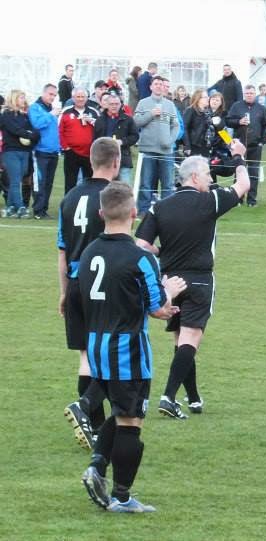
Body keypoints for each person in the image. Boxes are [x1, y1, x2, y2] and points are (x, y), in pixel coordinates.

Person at [78, 181, 185, 513]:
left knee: (120, 412)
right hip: (129, 352)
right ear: (134, 213)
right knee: (131, 422)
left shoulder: (88, 253)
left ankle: (97, 465)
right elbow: (155, 306)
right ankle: (121, 497)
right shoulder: (141, 258)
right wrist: (168, 291)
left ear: (101, 214)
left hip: (96, 347)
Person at [134, 142, 251, 419]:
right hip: (199, 281)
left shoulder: (159, 206)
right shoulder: (209, 200)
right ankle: (168, 397)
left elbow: (141, 244)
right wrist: (239, 157)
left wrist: (162, 252)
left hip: (170, 282)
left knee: (181, 340)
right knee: (190, 339)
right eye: (208, 176)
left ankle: (194, 398)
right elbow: (243, 184)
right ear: (195, 177)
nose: (211, 180)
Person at [59, 138, 125, 451]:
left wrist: (63, 292)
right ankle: (86, 409)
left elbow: (61, 251)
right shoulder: (114, 197)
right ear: (115, 162)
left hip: (74, 283)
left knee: (87, 356)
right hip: (103, 283)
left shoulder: (69, 197)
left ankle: (94, 426)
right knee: (114, 354)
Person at [133, 76, 180, 215]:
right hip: (147, 149)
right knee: (146, 183)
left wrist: (170, 141)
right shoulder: (143, 103)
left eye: (161, 84)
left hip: (166, 151)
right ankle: (143, 211)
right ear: (151, 87)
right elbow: (136, 122)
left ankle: (167, 212)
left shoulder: (170, 105)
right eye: (156, 84)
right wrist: (150, 114)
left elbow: (176, 125)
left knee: (167, 184)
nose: (159, 86)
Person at [226, 85, 266, 206]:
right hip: (240, 146)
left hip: (255, 146)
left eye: (251, 93)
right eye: (247, 93)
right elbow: (228, 121)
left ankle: (252, 200)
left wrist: (262, 141)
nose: (249, 95)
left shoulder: (261, 108)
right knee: (239, 172)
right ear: (244, 94)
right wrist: (238, 122)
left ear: (254, 94)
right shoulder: (236, 106)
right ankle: (238, 199)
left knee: (254, 173)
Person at [0, 89, 38, 218]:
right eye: (21, 97)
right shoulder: (6, 114)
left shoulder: (24, 115)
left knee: (17, 179)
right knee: (16, 179)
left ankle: (10, 206)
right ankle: (21, 206)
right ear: (14, 99)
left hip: (24, 151)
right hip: (11, 151)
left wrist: (32, 135)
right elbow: (15, 130)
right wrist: (29, 134)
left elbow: (34, 131)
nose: (24, 100)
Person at [28, 83, 62, 218]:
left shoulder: (51, 109)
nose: (52, 97)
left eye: (54, 95)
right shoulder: (35, 108)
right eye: (50, 94)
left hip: (53, 151)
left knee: (48, 182)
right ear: (44, 93)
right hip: (40, 151)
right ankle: (38, 209)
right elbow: (37, 124)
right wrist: (51, 115)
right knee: (40, 182)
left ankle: (44, 209)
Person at [60, 88, 99, 193]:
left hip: (89, 153)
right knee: (70, 183)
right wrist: (66, 148)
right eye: (78, 97)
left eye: (83, 97)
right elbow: (59, 130)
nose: (80, 99)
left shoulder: (93, 111)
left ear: (87, 98)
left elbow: (100, 128)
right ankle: (68, 208)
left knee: (89, 182)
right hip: (71, 153)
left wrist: (92, 121)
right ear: (73, 98)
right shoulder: (66, 111)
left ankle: (87, 207)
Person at [93, 95, 139, 184]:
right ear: (107, 105)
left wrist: (122, 142)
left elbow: (135, 136)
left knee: (124, 187)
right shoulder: (100, 120)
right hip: (104, 159)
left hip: (123, 158)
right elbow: (95, 139)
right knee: (104, 187)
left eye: (116, 104)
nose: (114, 106)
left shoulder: (127, 119)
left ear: (121, 105)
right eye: (111, 104)